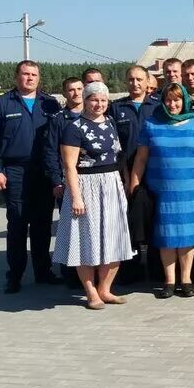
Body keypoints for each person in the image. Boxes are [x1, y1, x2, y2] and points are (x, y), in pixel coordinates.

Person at [0, 60, 62, 294]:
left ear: (39, 78)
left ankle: (43, 272)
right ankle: (14, 275)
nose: (30, 78)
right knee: (17, 224)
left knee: (43, 225)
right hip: (14, 171)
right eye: (25, 74)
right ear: (17, 77)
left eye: (34, 75)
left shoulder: (50, 103)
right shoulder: (2, 104)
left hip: (43, 172)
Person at [53, 82, 132, 309]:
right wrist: (76, 197)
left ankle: (105, 289)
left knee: (114, 238)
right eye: (94, 100)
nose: (99, 104)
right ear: (85, 101)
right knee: (85, 240)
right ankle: (91, 293)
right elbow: (69, 166)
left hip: (110, 184)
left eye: (103, 100)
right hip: (86, 185)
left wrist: (123, 182)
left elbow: (117, 155)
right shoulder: (74, 127)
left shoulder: (110, 123)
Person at [129, 83, 194, 298]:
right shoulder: (151, 124)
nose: (172, 104)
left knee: (187, 238)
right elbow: (141, 158)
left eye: (177, 100)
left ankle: (186, 279)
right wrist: (134, 187)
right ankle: (169, 281)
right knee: (165, 237)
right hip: (161, 192)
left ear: (184, 100)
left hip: (189, 190)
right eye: (168, 100)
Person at [110, 65, 160, 282]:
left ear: (148, 81)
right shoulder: (116, 108)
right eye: (131, 79)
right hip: (125, 173)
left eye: (139, 79)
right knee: (128, 223)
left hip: (155, 172)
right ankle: (130, 269)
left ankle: (158, 268)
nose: (135, 83)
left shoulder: (158, 107)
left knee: (155, 220)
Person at [44, 77, 84, 203]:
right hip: (67, 180)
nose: (77, 93)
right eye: (71, 90)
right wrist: (56, 181)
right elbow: (51, 152)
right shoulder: (58, 120)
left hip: (92, 176)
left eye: (79, 89)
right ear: (64, 94)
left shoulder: (96, 116)